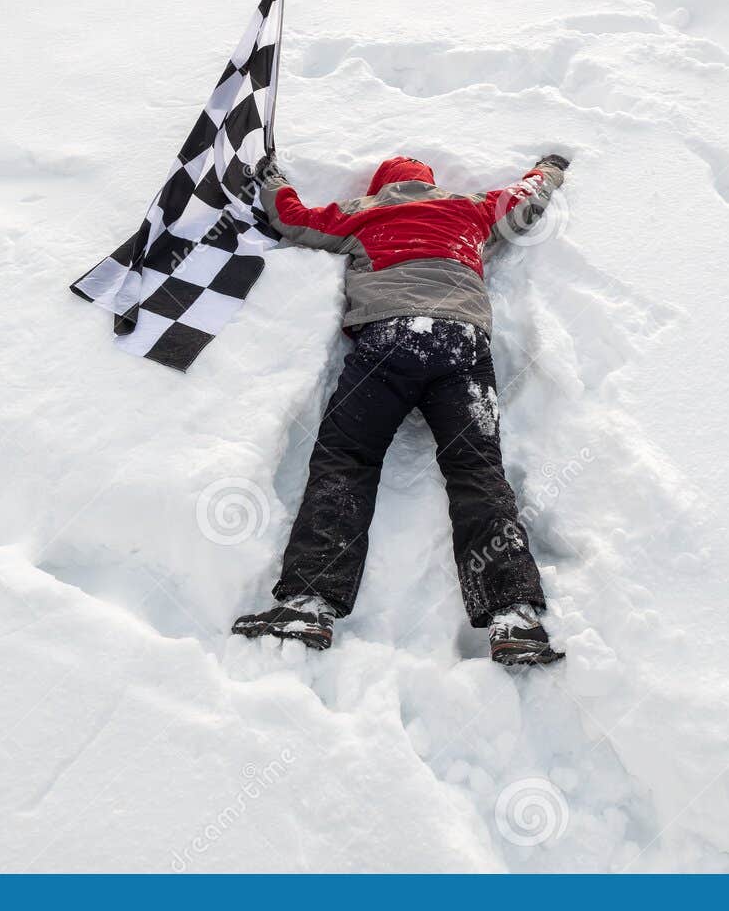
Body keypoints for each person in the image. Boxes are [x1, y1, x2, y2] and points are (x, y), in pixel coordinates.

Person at [231, 151, 570, 666]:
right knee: (477, 472)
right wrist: (547, 170)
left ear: (381, 186)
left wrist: (271, 178)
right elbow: (525, 203)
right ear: (429, 184)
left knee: (346, 459)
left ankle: (309, 602)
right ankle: (513, 616)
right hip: (461, 345)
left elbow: (292, 219)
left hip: (388, 342)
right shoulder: (469, 208)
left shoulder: (362, 212)